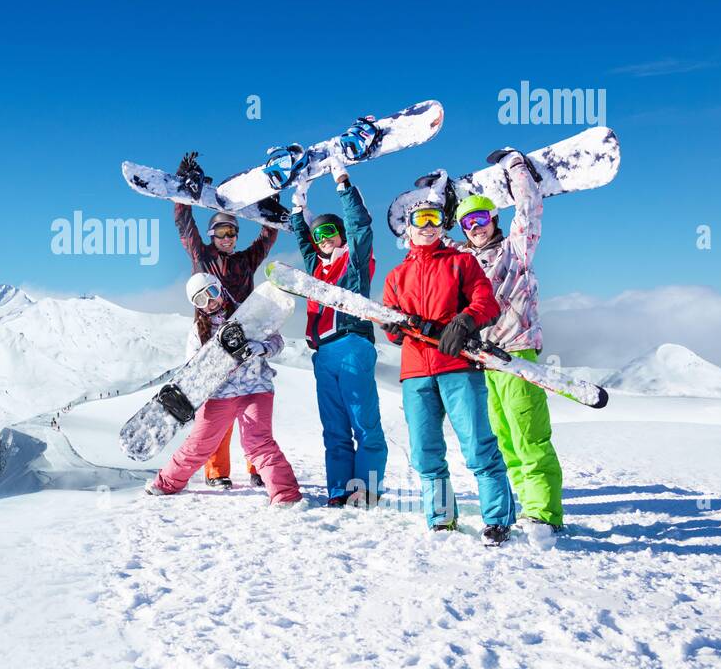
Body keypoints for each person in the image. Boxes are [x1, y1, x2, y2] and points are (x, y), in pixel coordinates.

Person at [381, 198, 517, 546]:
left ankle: (498, 519)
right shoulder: (396, 276)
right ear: (407, 227)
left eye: (434, 218)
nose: (427, 226)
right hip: (415, 373)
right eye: (420, 219)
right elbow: (390, 323)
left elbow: (486, 301)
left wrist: (466, 320)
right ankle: (441, 518)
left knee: (477, 446)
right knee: (426, 452)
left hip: (457, 367)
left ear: (443, 225)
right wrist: (393, 328)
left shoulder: (461, 262)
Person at [453, 151, 564, 537]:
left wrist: (516, 168)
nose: (476, 227)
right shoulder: (463, 261)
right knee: (503, 439)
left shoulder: (514, 249)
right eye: (468, 223)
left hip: (516, 352)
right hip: (481, 361)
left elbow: (530, 210)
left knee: (529, 434)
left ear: (493, 218)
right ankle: (525, 504)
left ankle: (544, 513)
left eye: (481, 219)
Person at [145, 273, 302, 506]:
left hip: (255, 388)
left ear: (220, 289)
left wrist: (263, 348)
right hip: (220, 394)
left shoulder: (250, 315)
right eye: (201, 300)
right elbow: (194, 369)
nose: (210, 302)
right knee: (199, 444)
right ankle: (166, 483)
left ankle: (286, 495)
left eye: (212, 293)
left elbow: (278, 341)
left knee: (258, 442)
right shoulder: (197, 332)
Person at [173, 151, 278, 488]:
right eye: (220, 234)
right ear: (212, 236)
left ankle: (257, 467)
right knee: (217, 407)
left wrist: (270, 205)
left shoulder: (246, 261)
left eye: (231, 233)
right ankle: (217, 472)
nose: (227, 239)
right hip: (211, 339)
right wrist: (184, 193)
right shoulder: (201, 257)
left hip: (244, 338)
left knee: (250, 408)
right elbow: (184, 226)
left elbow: (267, 237)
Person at [289, 167, 388, 507]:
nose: (323, 239)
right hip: (323, 354)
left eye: (330, 232)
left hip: (352, 343)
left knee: (364, 423)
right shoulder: (316, 270)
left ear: (341, 233)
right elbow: (304, 241)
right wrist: (298, 209)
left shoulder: (354, 260)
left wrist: (343, 185)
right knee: (334, 429)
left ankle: (368, 488)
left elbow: (361, 226)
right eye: (319, 236)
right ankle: (340, 490)